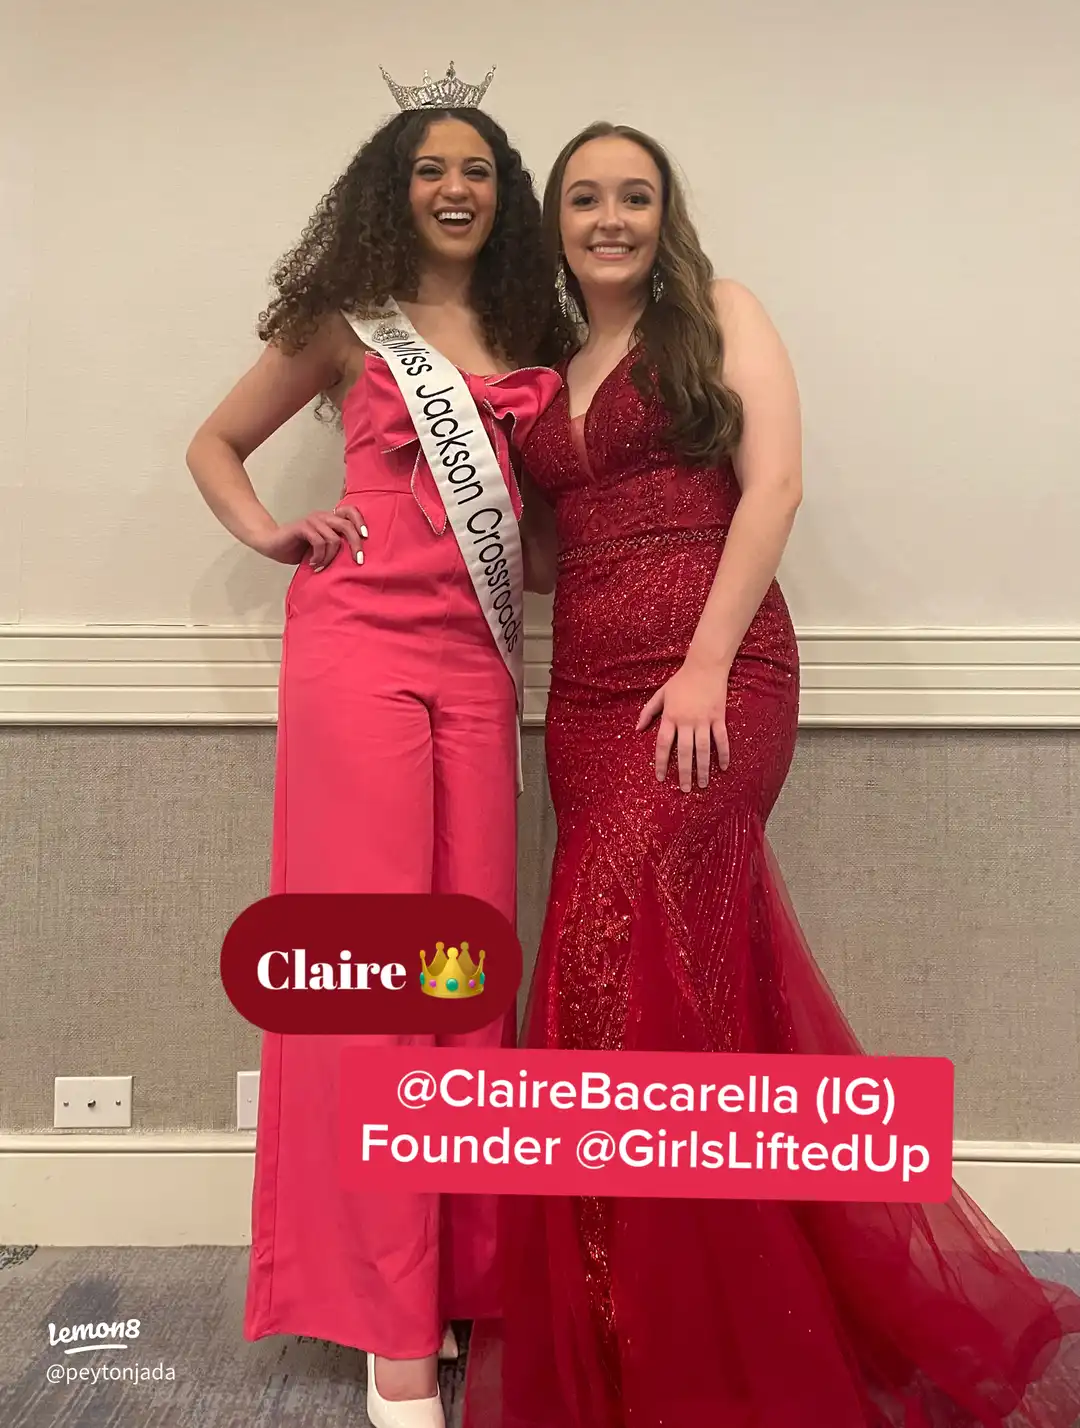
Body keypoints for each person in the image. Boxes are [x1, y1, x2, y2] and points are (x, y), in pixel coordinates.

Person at [462, 121, 1080, 1428]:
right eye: (586, 199)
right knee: (658, 989)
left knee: (609, 958)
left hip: (715, 682)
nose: (611, 218)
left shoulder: (723, 313)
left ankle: (692, 1321)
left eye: (635, 195)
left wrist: (701, 659)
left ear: (665, 212)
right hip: (584, 700)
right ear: (557, 223)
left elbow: (778, 485)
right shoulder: (555, 370)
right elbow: (555, 554)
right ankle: (638, 1309)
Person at [186, 65, 566, 1428]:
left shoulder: (539, 327)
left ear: (502, 195)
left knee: (469, 966)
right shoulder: (345, 325)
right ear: (390, 189)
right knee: (371, 973)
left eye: (476, 169)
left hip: (475, 668)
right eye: (429, 168)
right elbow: (218, 444)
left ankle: (463, 1281)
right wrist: (271, 532)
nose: (454, 188)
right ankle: (382, 1324)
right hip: (355, 656)